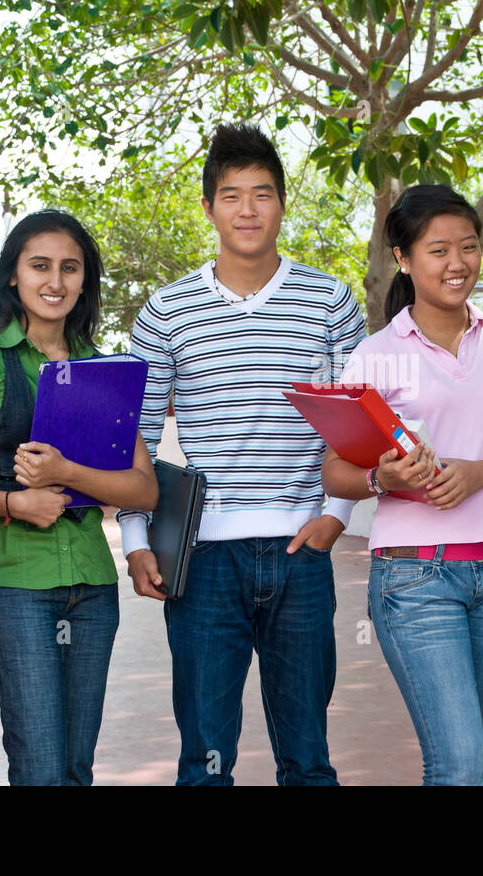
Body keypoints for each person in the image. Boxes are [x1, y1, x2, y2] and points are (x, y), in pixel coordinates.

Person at [118, 122, 366, 786]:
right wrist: (135, 538)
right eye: (232, 195)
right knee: (203, 762)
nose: (248, 210)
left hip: (301, 553)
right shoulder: (166, 312)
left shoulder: (331, 302)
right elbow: (136, 437)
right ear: (209, 208)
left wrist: (336, 514)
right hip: (202, 559)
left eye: (262, 193)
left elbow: (359, 423)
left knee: (309, 760)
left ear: (283, 203)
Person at [320, 184, 483, 785]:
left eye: (469, 247)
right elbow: (334, 472)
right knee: (455, 764)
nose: (457, 263)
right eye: (438, 250)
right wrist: (383, 477)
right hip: (414, 579)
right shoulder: (374, 355)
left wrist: (478, 473)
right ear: (403, 257)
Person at [0, 209, 157, 785]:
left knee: (76, 770)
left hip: (91, 585)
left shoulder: (105, 370)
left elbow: (144, 488)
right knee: (40, 770)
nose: (55, 281)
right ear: (13, 275)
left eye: (70, 268)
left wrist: (69, 471)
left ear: (84, 281)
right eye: (40, 266)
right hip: (13, 587)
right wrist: (13, 503)